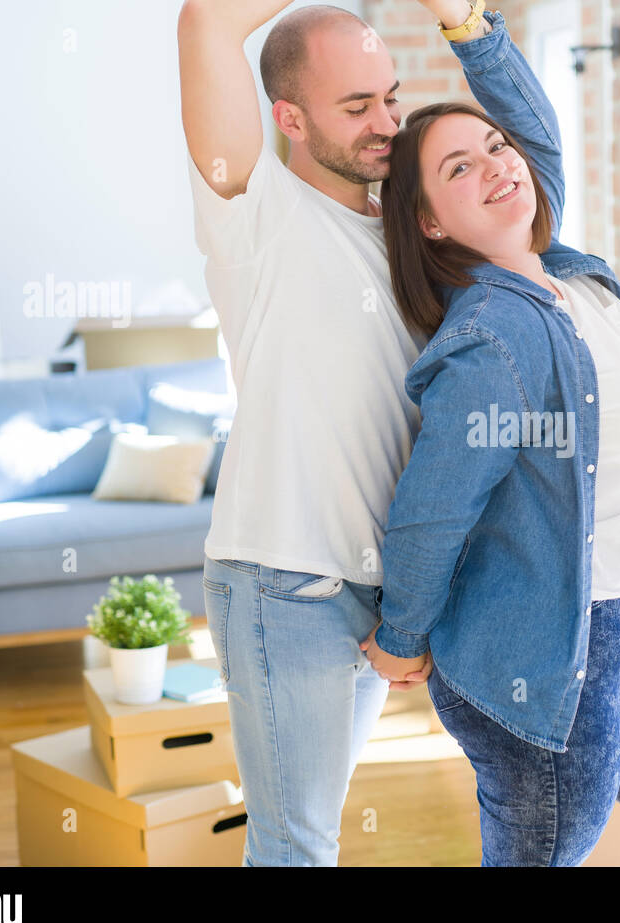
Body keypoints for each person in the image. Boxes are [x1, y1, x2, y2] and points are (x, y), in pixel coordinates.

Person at [361, 4, 620, 866]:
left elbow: (533, 132)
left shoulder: (558, 265)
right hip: (547, 657)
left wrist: (465, 25)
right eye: (460, 167)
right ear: (428, 221)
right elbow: (435, 501)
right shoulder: (496, 334)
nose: (496, 166)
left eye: (496, 149)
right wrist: (401, 634)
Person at [177, 0, 471, 866]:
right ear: (290, 119)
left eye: (391, 97)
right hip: (284, 584)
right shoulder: (255, 214)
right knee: (296, 845)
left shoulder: (407, 234)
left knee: (306, 838)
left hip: (373, 593)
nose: (388, 123)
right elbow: (202, 23)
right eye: (357, 107)